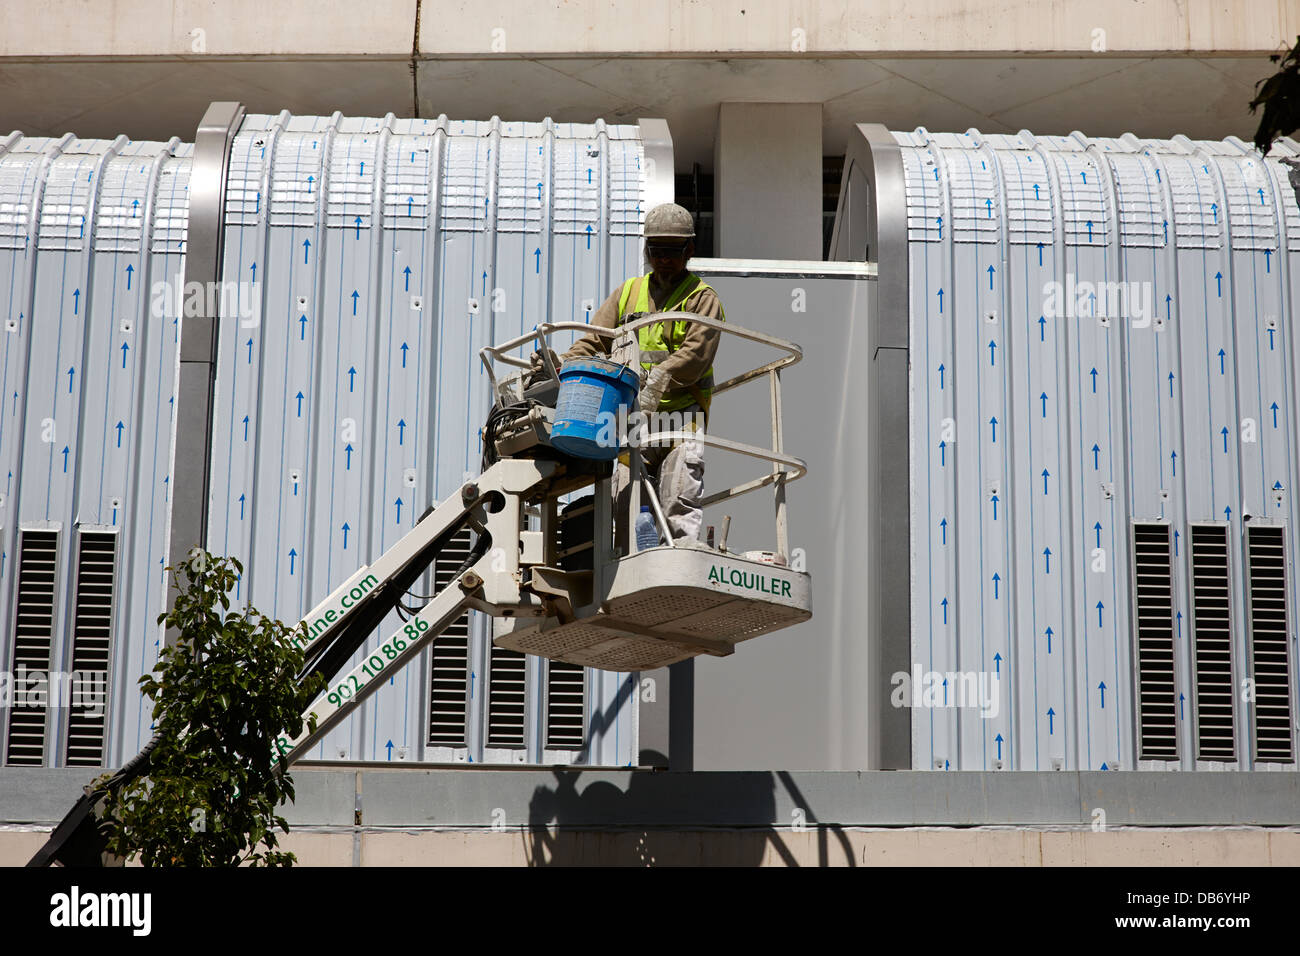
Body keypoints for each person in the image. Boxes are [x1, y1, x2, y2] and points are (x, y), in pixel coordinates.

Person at [539, 202, 724, 545]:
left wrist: (662, 375)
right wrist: (560, 363)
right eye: (657, 250)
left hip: (681, 420)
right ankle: (631, 559)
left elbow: (697, 355)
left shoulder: (702, 299)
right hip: (632, 419)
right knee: (625, 500)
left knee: (677, 497)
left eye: (672, 251)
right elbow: (594, 342)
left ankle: (678, 562)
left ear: (690, 250)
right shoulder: (628, 293)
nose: (664, 259)